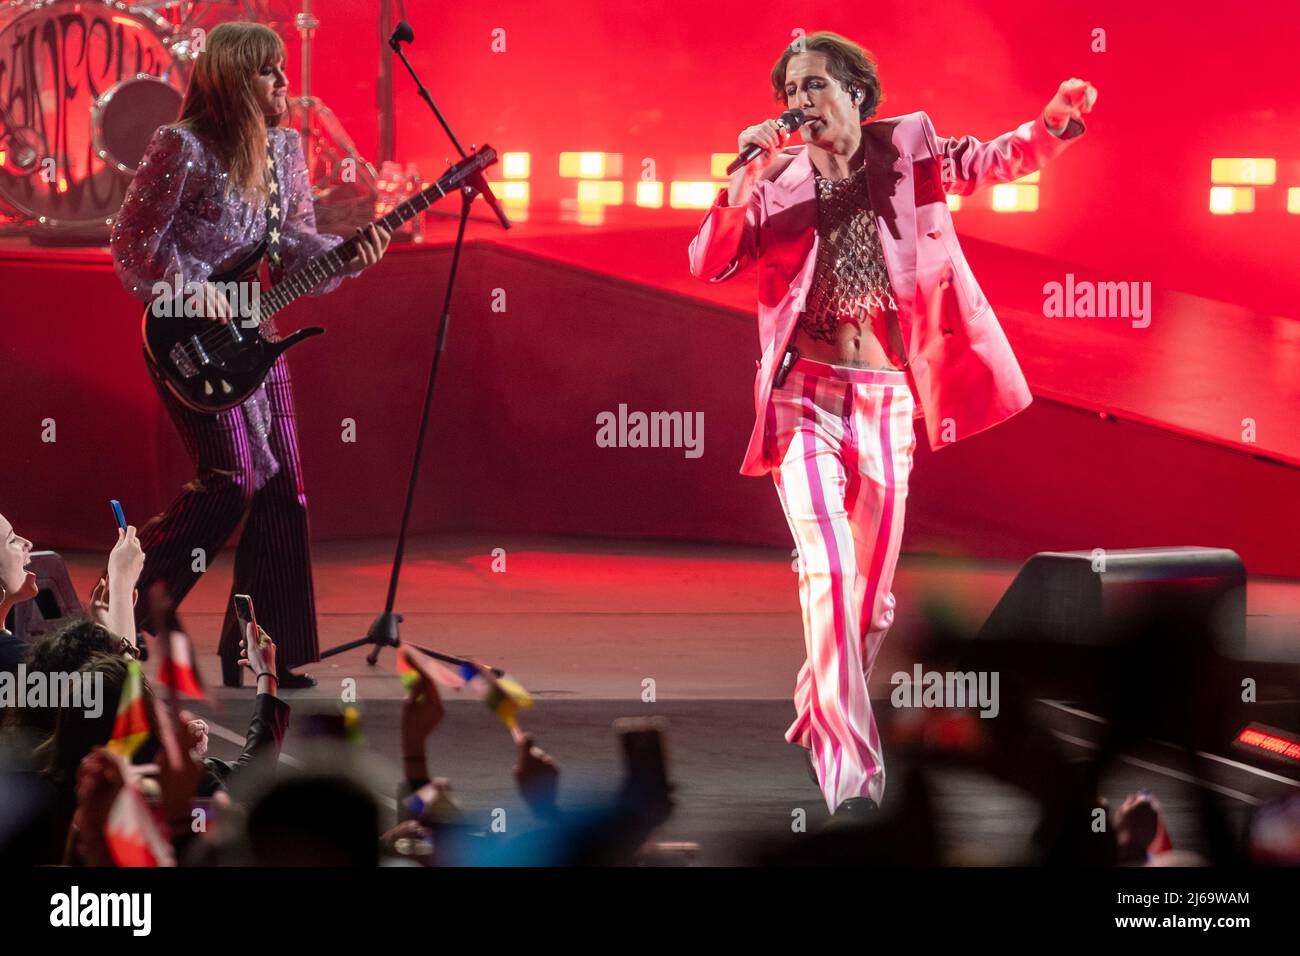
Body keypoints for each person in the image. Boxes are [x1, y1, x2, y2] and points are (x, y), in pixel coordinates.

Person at [687, 31, 1095, 817]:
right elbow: (708, 259)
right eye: (791, 92)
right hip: (801, 399)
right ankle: (852, 773)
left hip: (886, 401)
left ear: (856, 96)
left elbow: (989, 162)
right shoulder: (772, 178)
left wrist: (1050, 126)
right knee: (831, 572)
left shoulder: (910, 147)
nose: (800, 103)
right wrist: (741, 180)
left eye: (814, 86)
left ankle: (819, 703)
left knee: (868, 604)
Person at [109, 22, 392, 689]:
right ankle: (118, 617)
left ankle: (263, 654)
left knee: (280, 492)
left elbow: (294, 242)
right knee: (231, 481)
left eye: (284, 70)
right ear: (235, 78)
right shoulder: (181, 146)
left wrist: (344, 254)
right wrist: (188, 289)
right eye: (269, 72)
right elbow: (131, 242)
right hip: (186, 331)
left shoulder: (286, 148)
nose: (285, 85)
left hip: (252, 332)